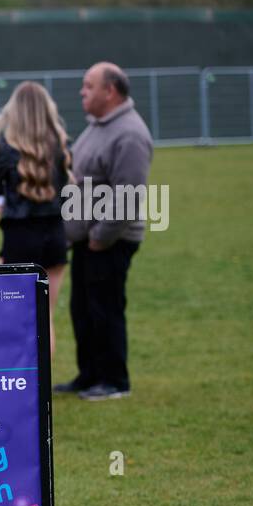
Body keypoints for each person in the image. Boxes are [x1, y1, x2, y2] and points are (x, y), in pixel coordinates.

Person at [57, 62, 154, 401]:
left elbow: (128, 195)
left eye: (88, 85)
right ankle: (90, 375)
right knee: (83, 309)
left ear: (109, 91)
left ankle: (114, 381)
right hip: (87, 240)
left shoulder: (129, 134)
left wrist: (101, 236)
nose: (82, 91)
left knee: (105, 308)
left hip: (109, 242)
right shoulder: (98, 127)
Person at [0, 81, 71, 357]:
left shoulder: (7, 149)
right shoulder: (59, 146)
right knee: (46, 318)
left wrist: (6, 201)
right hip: (54, 238)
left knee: (12, 318)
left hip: (19, 240)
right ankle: (42, 389)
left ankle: (21, 387)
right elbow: (66, 194)